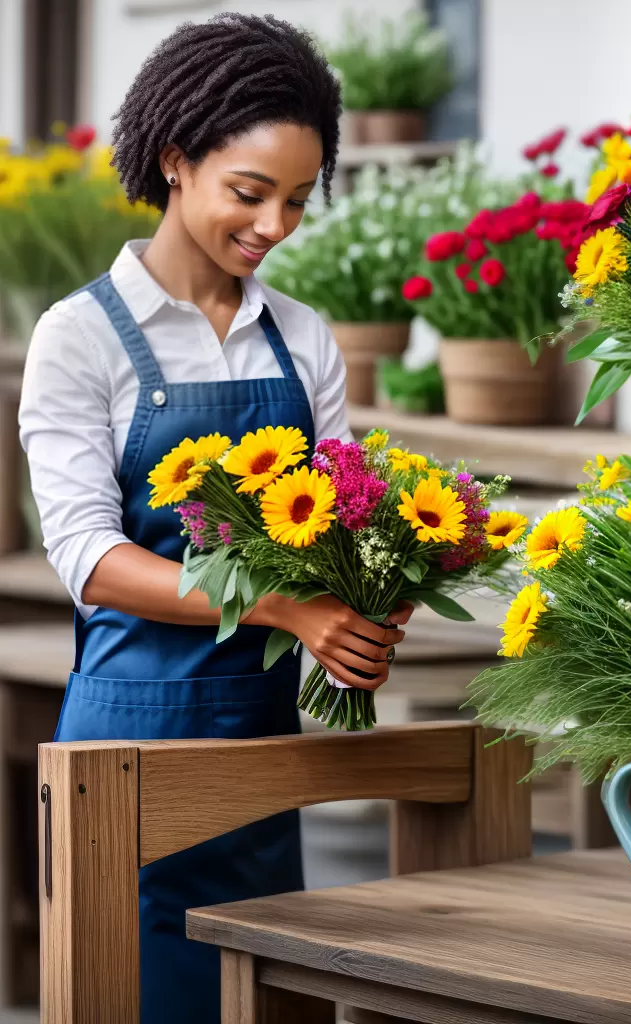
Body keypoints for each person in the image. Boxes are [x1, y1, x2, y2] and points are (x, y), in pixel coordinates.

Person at [18, 14, 411, 1022]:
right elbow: (91, 560)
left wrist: (364, 613)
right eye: (249, 192)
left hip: (262, 738)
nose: (273, 224)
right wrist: (285, 607)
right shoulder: (80, 338)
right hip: (127, 745)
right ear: (176, 160)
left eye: (296, 198)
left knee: (268, 987)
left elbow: (342, 514)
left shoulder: (302, 337)